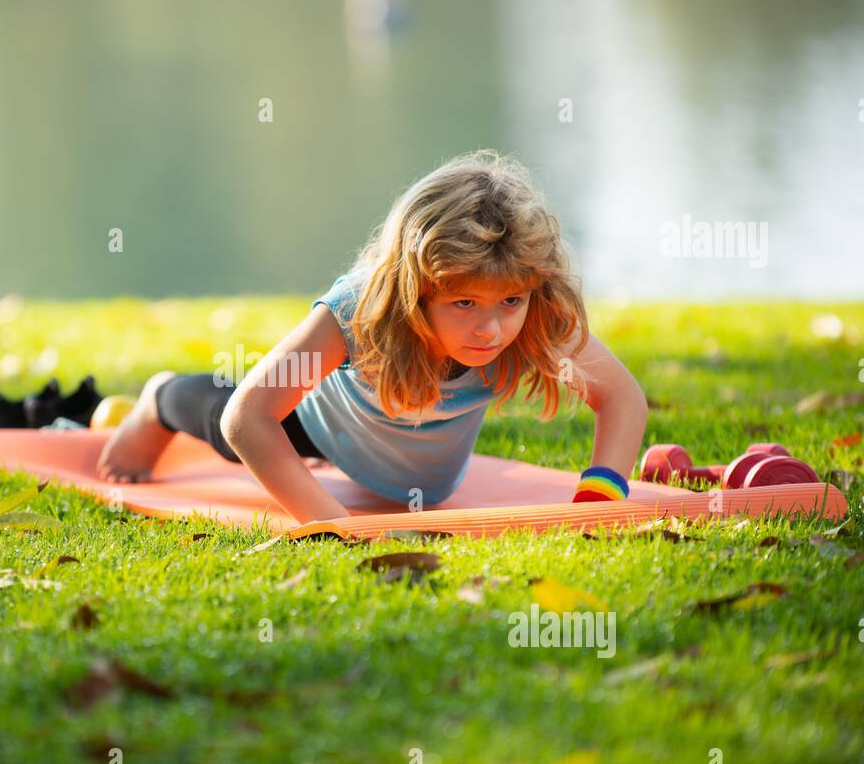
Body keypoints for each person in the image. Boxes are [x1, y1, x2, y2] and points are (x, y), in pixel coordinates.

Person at [96, 149, 648, 525]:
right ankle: (157, 399)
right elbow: (248, 416)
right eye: (464, 303)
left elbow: (619, 397)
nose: (491, 327)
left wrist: (598, 499)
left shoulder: (538, 314)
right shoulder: (356, 312)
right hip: (322, 427)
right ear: (416, 291)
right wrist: (332, 525)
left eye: (510, 301)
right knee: (221, 420)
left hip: (425, 479)